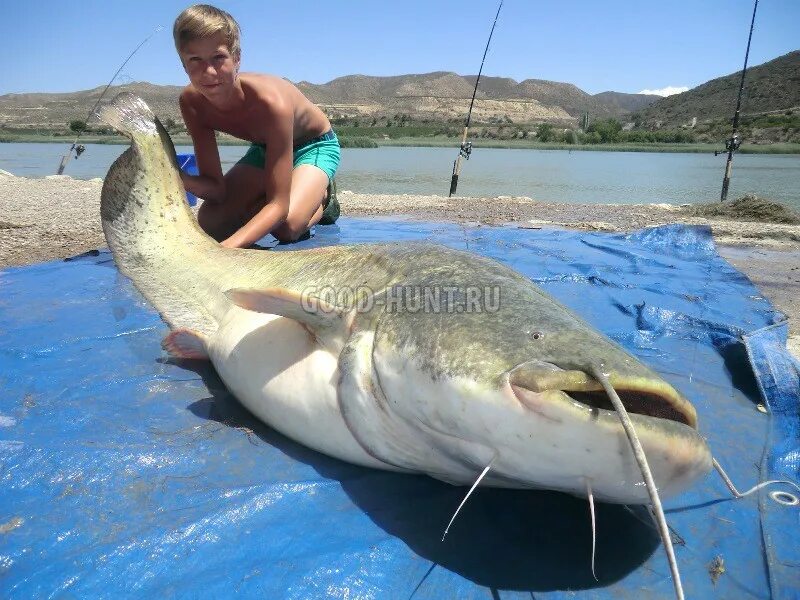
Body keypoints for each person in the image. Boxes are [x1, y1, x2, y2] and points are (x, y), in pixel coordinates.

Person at [173, 4, 340, 248]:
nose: (208, 71)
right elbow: (216, 189)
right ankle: (291, 190)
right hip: (265, 147)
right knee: (211, 221)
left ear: (236, 58)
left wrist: (223, 252)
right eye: (195, 60)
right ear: (183, 64)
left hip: (313, 146)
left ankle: (324, 197)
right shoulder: (191, 103)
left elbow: (278, 207)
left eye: (218, 57)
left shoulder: (271, 103)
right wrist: (178, 178)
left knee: (286, 226)